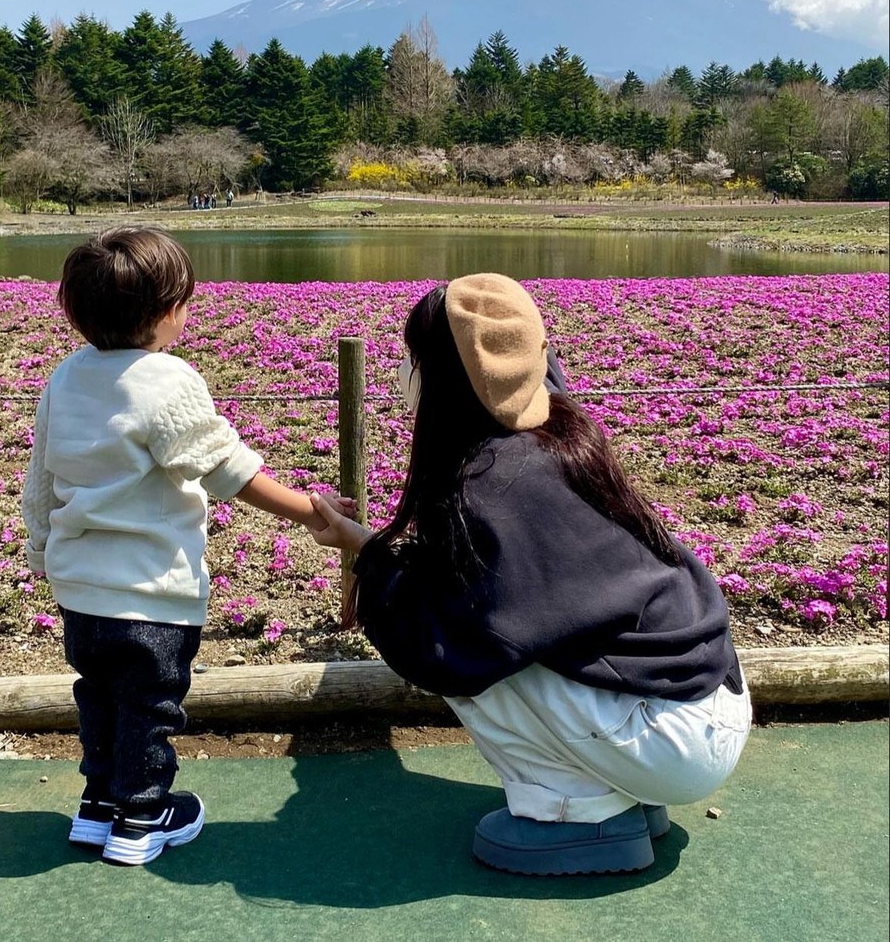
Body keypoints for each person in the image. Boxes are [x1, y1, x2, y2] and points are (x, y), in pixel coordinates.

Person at [310, 273, 751, 877]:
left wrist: (364, 554)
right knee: (506, 635)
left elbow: (447, 647)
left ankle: (582, 814)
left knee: (475, 659)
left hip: (676, 742)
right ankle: (628, 793)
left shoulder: (491, 485)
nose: (404, 375)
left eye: (414, 360)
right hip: (705, 703)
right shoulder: (562, 430)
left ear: (445, 377)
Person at [22, 227, 353, 867]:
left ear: (74, 309)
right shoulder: (167, 379)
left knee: (98, 695)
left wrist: (43, 553)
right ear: (169, 310)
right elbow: (225, 468)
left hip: (80, 587)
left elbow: (41, 482)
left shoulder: (66, 378)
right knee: (149, 703)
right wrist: (313, 510)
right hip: (152, 591)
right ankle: (144, 816)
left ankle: (98, 806)